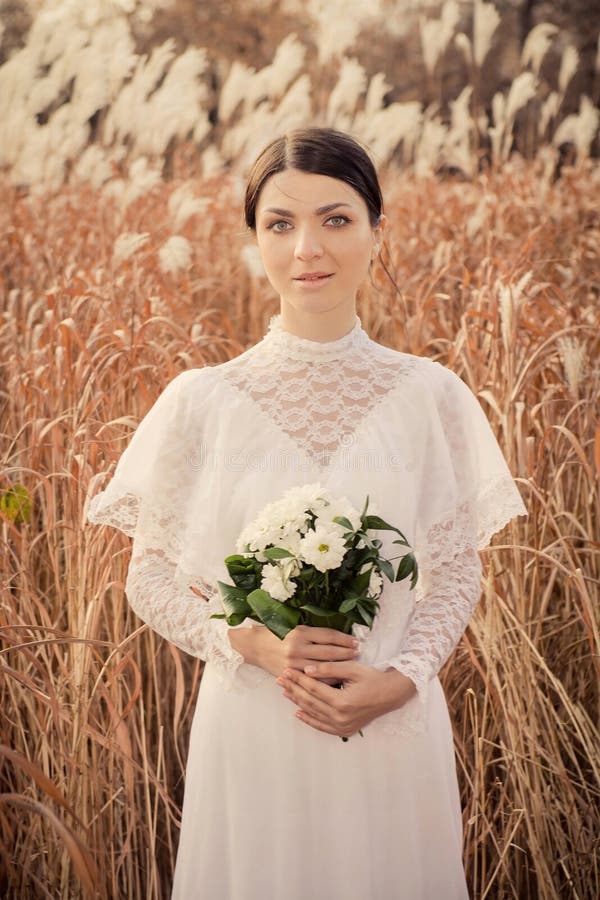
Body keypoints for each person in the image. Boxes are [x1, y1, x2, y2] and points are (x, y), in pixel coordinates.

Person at [87, 127, 527, 899]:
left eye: (335, 218)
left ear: (376, 230)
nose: (307, 250)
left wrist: (405, 678)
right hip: (256, 727)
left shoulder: (432, 398)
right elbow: (149, 580)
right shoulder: (204, 402)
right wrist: (254, 647)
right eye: (280, 225)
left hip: (390, 726)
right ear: (255, 240)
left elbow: (457, 574)